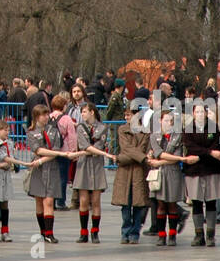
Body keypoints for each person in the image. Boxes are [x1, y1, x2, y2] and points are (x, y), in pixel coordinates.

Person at [27, 104, 72, 243]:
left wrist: (51, 155)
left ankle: (49, 233)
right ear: (36, 116)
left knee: (49, 201)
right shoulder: (31, 132)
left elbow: (57, 147)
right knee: (39, 202)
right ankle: (42, 231)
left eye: (47, 114)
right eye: (43, 114)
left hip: (51, 167)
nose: (47, 117)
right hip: (38, 169)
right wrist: (57, 153)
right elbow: (38, 150)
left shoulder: (53, 130)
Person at [182, 99, 220, 248]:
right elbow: (190, 147)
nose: (200, 114)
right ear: (193, 113)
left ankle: (211, 235)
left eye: (202, 111)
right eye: (197, 111)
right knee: (197, 202)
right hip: (194, 171)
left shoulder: (214, 127)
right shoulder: (188, 129)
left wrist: (207, 153)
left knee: (211, 202)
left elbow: (217, 144)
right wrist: (209, 153)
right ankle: (199, 234)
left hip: (211, 169)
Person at [112, 93, 150, 245]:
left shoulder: (145, 131)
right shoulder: (122, 130)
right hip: (126, 172)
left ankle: (135, 232)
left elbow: (138, 150)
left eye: (129, 115)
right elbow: (127, 148)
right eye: (126, 115)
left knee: (139, 204)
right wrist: (141, 157)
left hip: (138, 171)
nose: (127, 118)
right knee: (125, 205)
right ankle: (125, 231)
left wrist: (121, 158)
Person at [72, 103, 110, 243]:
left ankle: (95, 232)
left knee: (96, 201)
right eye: (82, 112)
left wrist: (92, 150)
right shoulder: (80, 128)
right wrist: (91, 150)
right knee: (83, 201)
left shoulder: (103, 127)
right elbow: (84, 146)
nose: (82, 114)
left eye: (85, 111)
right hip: (83, 165)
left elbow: (99, 145)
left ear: (92, 112)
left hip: (97, 165)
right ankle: (83, 232)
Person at [148, 110, 186, 246]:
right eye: (166, 120)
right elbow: (158, 153)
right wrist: (162, 159)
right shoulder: (154, 136)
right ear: (160, 121)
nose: (169, 123)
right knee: (160, 205)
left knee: (172, 205)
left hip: (173, 172)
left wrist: (160, 161)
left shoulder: (178, 136)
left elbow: (176, 156)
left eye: (171, 120)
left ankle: (172, 235)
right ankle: (161, 235)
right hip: (159, 173)